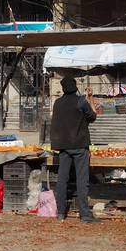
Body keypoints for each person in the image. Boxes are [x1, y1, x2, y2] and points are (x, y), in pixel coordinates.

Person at [49, 76, 98, 222]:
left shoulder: (57, 103)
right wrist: (90, 98)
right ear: (75, 86)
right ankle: (84, 215)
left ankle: (60, 213)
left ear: (63, 88)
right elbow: (93, 117)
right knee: (82, 180)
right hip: (79, 146)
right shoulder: (80, 101)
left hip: (64, 147)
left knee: (62, 180)